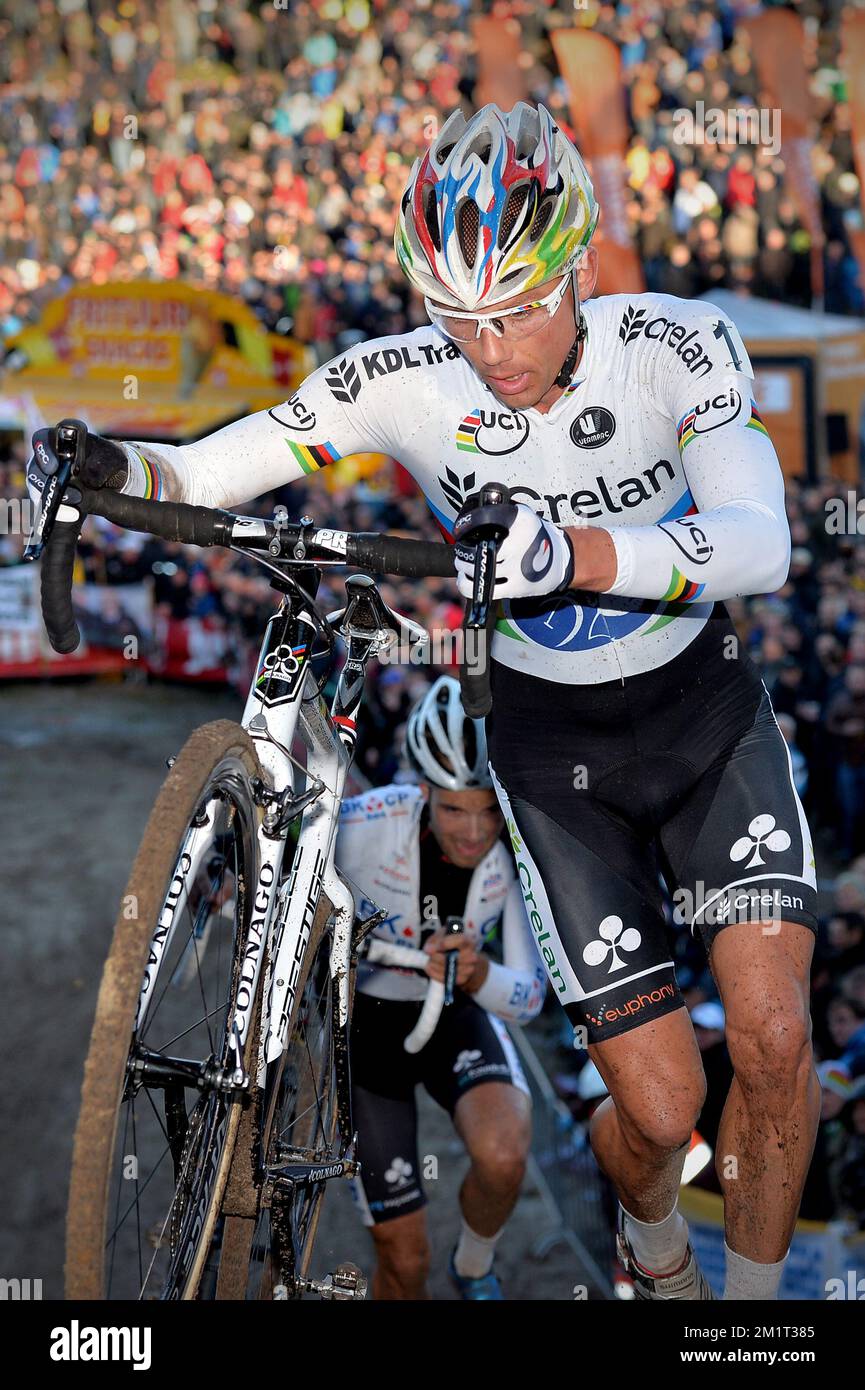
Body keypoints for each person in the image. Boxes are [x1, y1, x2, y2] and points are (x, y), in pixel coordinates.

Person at [29, 101, 819, 1301]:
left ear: (579, 265)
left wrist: (580, 553)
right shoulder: (397, 379)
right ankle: (648, 1235)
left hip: (704, 717)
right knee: (659, 1114)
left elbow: (759, 540)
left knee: (769, 1039)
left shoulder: (675, 339)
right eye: (457, 316)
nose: (489, 347)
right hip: (554, 758)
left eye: (512, 310)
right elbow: (202, 471)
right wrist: (111, 469)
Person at [335, 675, 546, 1299]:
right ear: (422, 789)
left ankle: (475, 1266)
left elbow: (530, 998)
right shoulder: (369, 821)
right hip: (365, 1036)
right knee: (404, 1263)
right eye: (454, 808)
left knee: (505, 1154)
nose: (475, 833)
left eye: (489, 811)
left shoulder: (519, 851)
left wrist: (478, 972)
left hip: (453, 1016)